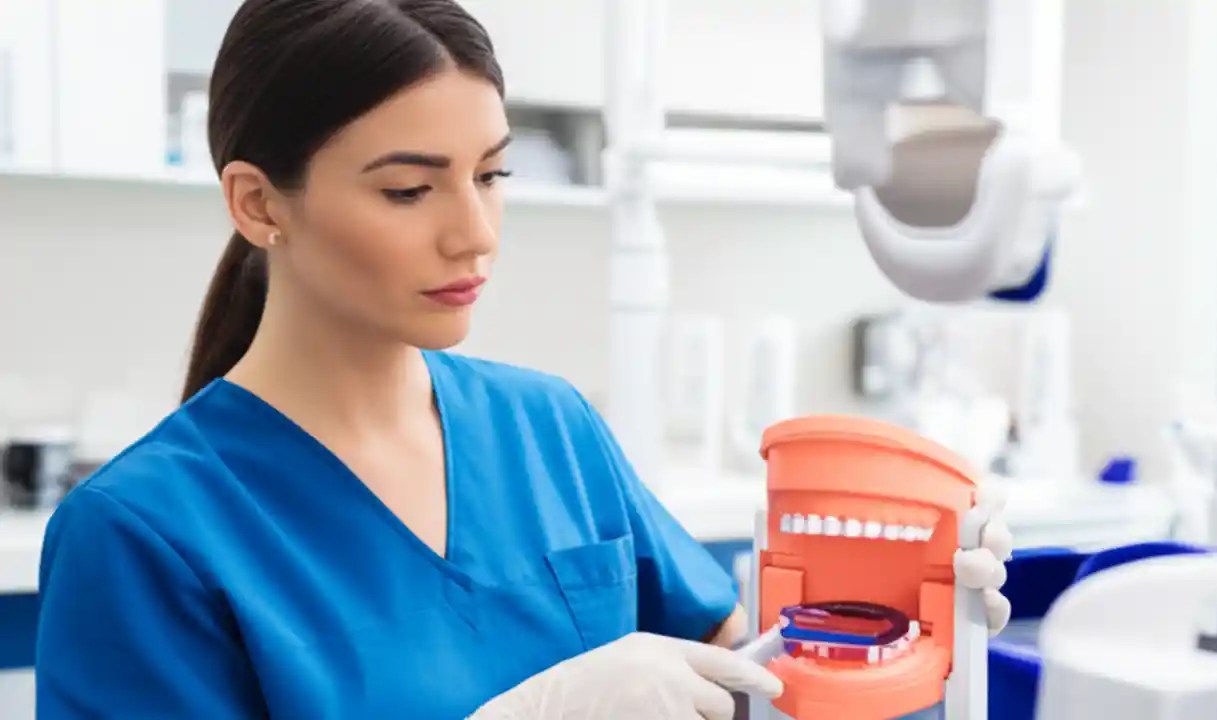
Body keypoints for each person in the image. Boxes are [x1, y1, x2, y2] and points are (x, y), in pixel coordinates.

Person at [34, 1, 1012, 718]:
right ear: (257, 203)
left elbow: (753, 676)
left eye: (492, 174)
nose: (474, 235)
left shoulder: (548, 428)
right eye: (410, 191)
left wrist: (896, 610)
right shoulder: (141, 534)